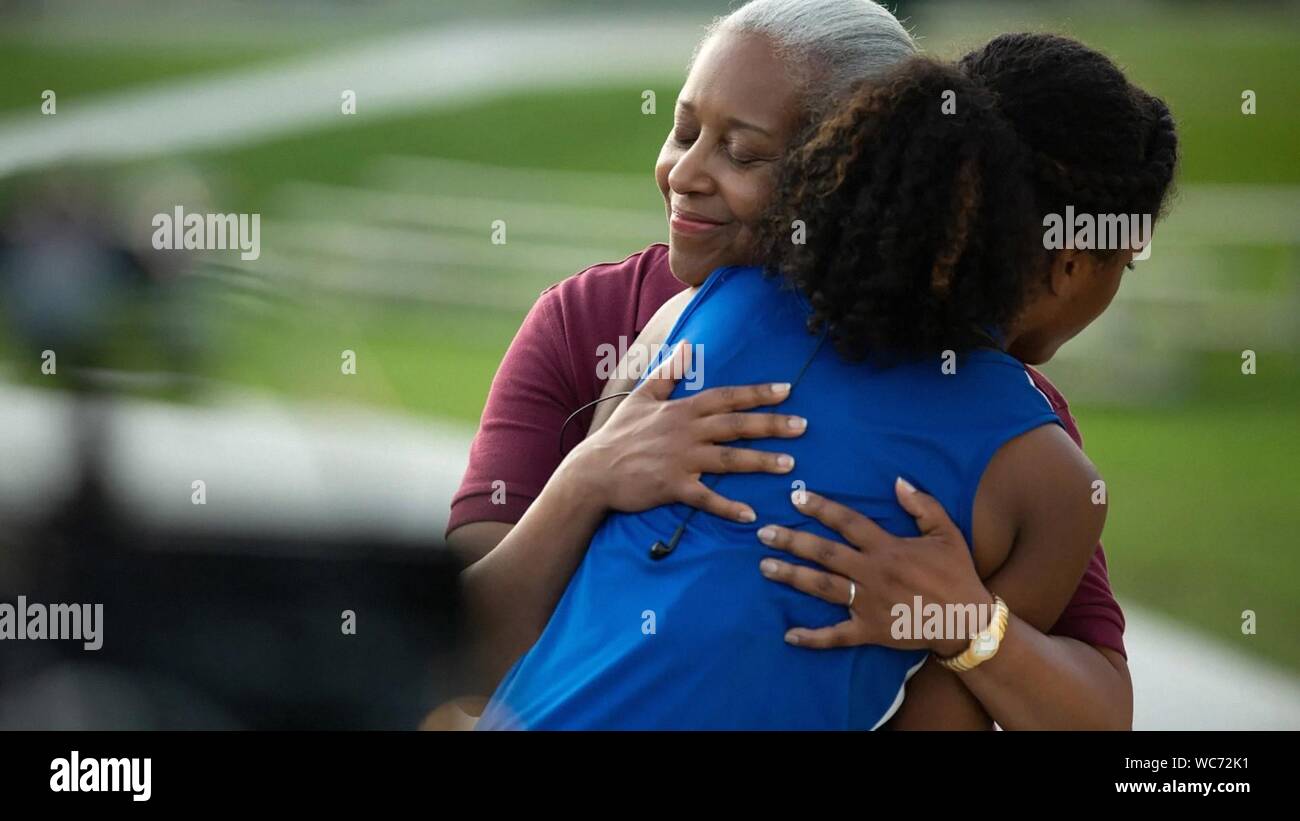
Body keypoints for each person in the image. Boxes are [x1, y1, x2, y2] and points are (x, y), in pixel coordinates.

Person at [453, 1, 1137, 729]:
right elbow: (458, 648)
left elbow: (1062, 703)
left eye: (743, 153)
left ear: (844, 164)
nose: (685, 172)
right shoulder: (614, 317)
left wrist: (970, 630)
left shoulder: (1026, 442)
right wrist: (587, 477)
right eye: (684, 131)